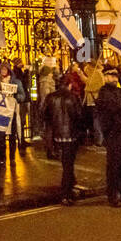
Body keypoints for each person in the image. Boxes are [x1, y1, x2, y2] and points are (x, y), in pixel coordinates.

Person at [95, 65, 121, 207]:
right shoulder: (104, 92)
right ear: (105, 77)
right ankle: (113, 196)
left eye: (115, 76)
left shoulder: (120, 91)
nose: (114, 78)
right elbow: (115, 107)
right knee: (114, 166)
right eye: (111, 75)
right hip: (113, 132)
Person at [42, 76, 83, 204]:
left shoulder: (50, 97)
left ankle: (71, 185)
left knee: (66, 164)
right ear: (69, 85)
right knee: (68, 165)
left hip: (56, 135)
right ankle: (66, 194)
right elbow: (78, 116)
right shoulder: (72, 97)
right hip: (70, 135)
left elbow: (43, 114)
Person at [82, 61, 104, 147]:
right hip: (90, 100)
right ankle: (95, 138)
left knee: (96, 121)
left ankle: (99, 139)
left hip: (94, 100)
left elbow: (92, 85)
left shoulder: (97, 74)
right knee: (92, 120)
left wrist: (82, 76)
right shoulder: (93, 73)